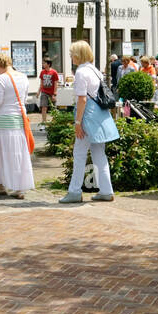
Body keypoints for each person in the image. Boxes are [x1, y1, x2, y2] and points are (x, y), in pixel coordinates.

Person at [60, 41, 119, 204]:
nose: (71, 57)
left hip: (87, 117)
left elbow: (82, 99)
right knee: (99, 154)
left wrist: (78, 122)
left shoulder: (80, 72)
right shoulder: (95, 70)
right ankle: (106, 190)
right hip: (99, 116)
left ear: (78, 55)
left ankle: (74, 191)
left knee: (79, 154)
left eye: (72, 54)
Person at [0, 52, 34, 199]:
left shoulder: (2, 78)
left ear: (0, 65)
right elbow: (24, 99)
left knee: (2, 154)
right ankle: (19, 187)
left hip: (4, 120)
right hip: (19, 120)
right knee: (19, 154)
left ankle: (1, 184)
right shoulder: (23, 77)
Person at [37, 57, 60, 128]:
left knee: (53, 108)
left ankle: (54, 122)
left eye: (44, 63)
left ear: (48, 64)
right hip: (44, 92)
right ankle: (44, 123)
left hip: (51, 93)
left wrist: (54, 93)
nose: (43, 64)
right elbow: (41, 83)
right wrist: (38, 92)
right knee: (44, 107)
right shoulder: (42, 72)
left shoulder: (54, 72)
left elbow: (56, 83)